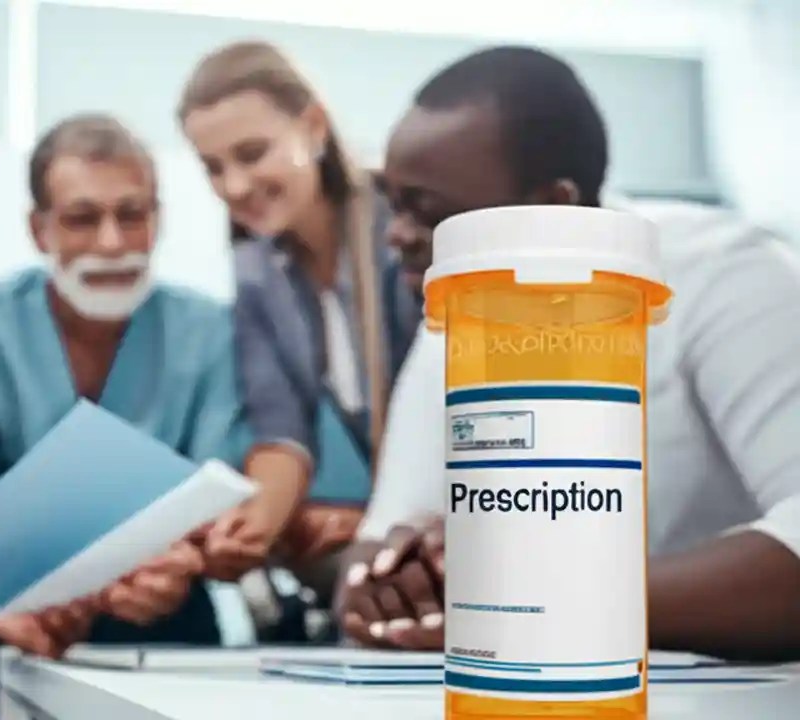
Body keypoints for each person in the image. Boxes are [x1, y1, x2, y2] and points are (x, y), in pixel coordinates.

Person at [338, 46, 800, 661]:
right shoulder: (457, 310)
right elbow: (375, 548)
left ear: (555, 207)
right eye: (390, 204)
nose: (394, 235)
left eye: (430, 212)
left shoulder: (726, 275)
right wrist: (394, 583)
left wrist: (548, 603)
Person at [0, 113, 233, 720]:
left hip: (160, 603)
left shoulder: (209, 332)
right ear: (40, 230)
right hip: (6, 603)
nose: (111, 243)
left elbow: (213, 496)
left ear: (158, 221)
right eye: (83, 219)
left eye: (132, 215)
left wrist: (177, 563)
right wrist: (40, 588)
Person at [177, 40, 403, 586]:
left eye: (253, 154)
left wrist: (382, 521)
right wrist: (253, 526)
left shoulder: (401, 230)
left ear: (315, 127)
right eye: (213, 167)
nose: (233, 186)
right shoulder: (258, 270)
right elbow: (282, 429)